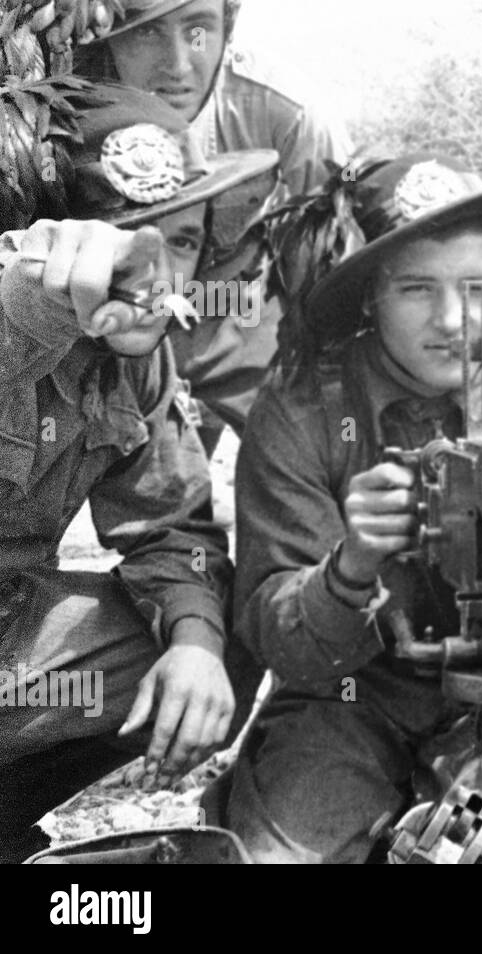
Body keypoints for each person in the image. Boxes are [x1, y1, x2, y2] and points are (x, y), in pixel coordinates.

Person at [218, 155, 482, 862]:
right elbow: (280, 638)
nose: (453, 320)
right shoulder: (302, 409)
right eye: (418, 289)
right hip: (352, 702)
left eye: (478, 288)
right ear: (370, 296)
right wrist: (349, 569)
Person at [0, 84, 274, 862]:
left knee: (218, 637)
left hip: (12, 635)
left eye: (182, 242)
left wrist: (193, 641)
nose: (160, 275)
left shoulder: (139, 364)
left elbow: (172, 525)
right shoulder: (15, 306)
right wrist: (35, 307)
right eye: (129, 242)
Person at [76, 0, 354, 449]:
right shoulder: (62, 102)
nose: (178, 64)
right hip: (108, 307)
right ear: (107, 34)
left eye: (198, 28)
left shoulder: (286, 107)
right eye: (147, 32)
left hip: (229, 303)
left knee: (310, 441)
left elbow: (337, 252)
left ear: (228, 28)